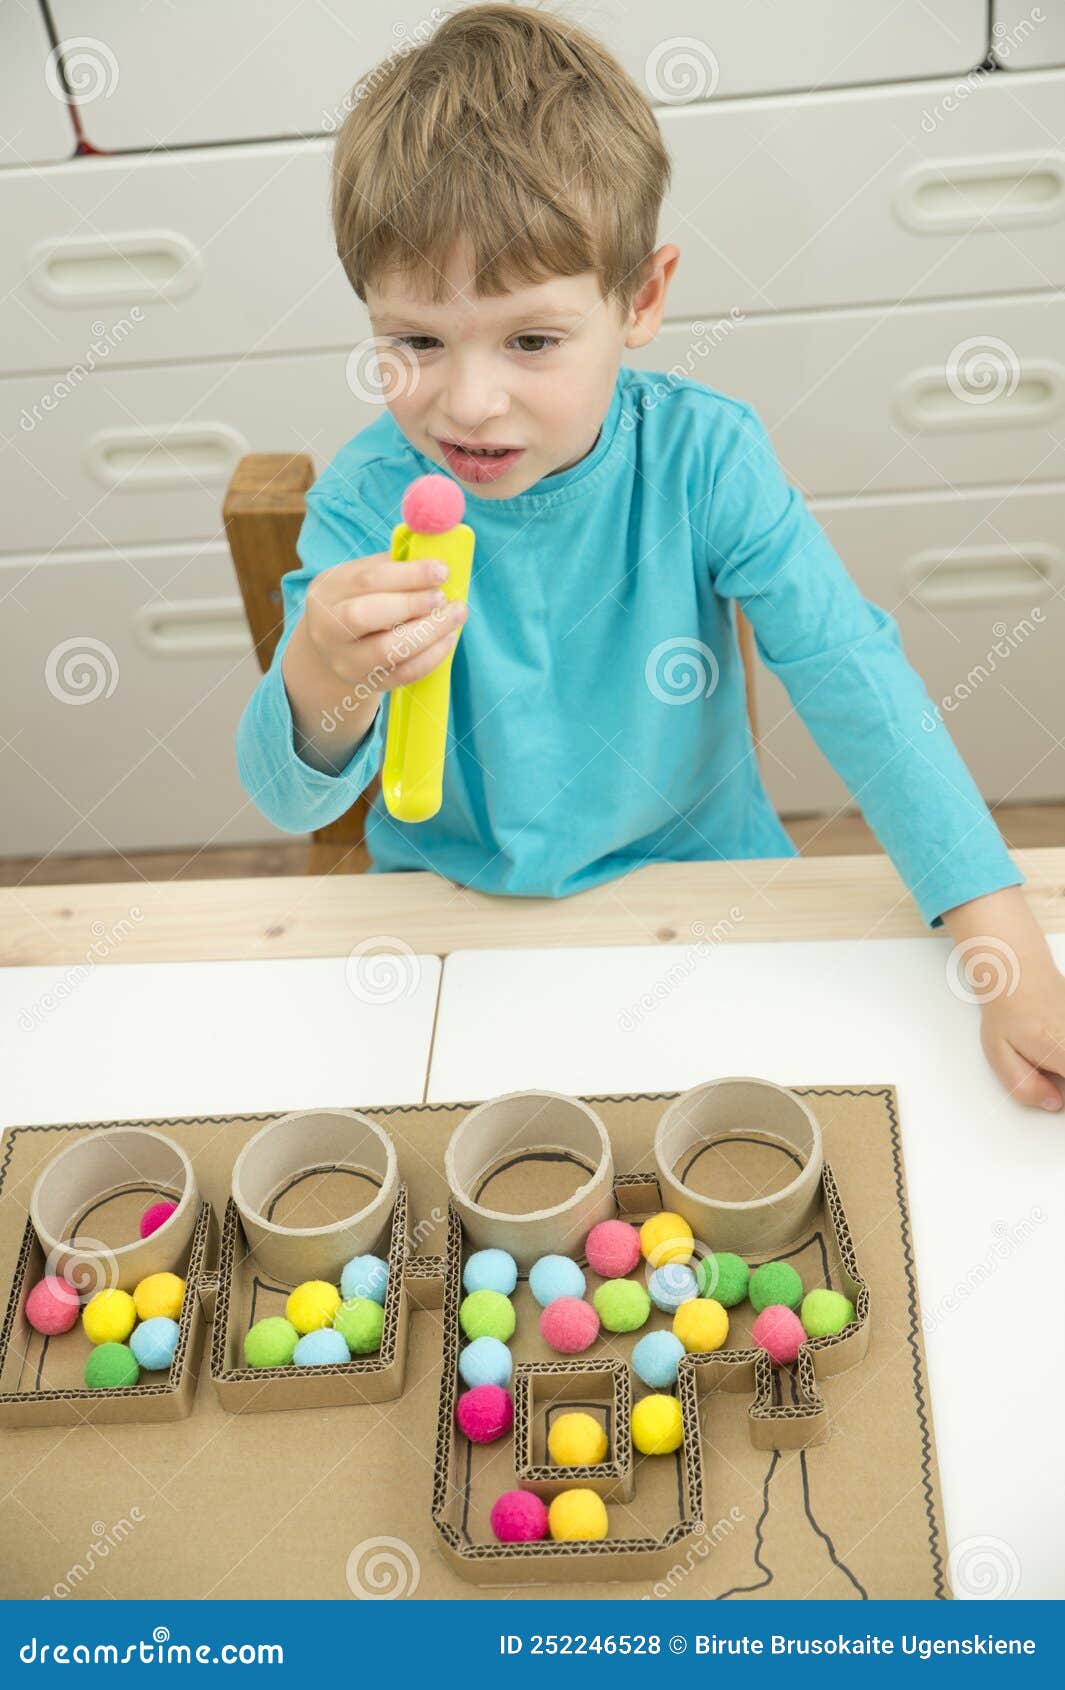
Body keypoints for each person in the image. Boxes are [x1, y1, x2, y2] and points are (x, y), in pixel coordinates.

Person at [237, 4, 1065, 1112]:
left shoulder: (705, 458)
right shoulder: (362, 498)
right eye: (415, 343)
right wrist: (322, 680)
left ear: (643, 298)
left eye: (531, 341)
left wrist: (999, 934)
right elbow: (285, 797)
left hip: (710, 894)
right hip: (454, 922)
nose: (467, 402)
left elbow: (853, 677)